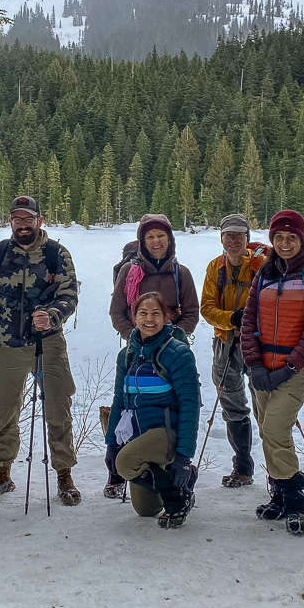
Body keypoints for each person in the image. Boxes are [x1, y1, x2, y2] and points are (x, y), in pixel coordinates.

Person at [0, 196, 82, 506]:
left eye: (28, 218)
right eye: (17, 219)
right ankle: (3, 471)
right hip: (8, 344)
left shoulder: (56, 255)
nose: (23, 224)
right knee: (4, 410)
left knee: (58, 408)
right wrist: (8, 323)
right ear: (11, 222)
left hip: (47, 343)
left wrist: (51, 315)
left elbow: (70, 295)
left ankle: (64, 473)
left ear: (40, 220)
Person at [240, 210, 304, 534]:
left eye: (291, 237)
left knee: (277, 430)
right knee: (268, 432)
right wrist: (254, 365)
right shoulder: (263, 274)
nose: (284, 243)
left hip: (295, 370)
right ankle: (279, 496)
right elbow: (248, 322)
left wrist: (289, 368)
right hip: (261, 371)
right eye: (278, 237)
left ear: (301, 239)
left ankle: (296, 500)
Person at [105, 213, 199, 497]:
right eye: (150, 237)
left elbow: (192, 313)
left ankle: (176, 465)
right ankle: (133, 468)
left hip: (171, 351)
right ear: (142, 242)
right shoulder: (130, 272)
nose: (156, 241)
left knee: (175, 404)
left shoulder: (180, 273)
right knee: (129, 401)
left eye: (161, 236)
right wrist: (137, 339)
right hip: (138, 351)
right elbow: (117, 312)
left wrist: (170, 339)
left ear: (169, 239)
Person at [105, 292, 200, 528]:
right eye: (143, 313)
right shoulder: (126, 356)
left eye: (156, 313)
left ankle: (176, 496)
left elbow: (190, 407)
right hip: (137, 434)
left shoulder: (177, 353)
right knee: (146, 510)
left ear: (166, 318)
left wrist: (184, 457)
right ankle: (180, 483)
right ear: (134, 317)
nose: (149, 319)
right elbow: (119, 402)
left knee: (126, 462)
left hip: (166, 431)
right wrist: (111, 444)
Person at [199, 213, 267, 489]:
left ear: (247, 238)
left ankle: (276, 467)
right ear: (222, 239)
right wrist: (231, 319)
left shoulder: (261, 266)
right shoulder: (216, 267)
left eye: (240, 234)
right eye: (229, 235)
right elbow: (207, 307)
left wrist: (247, 321)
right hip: (225, 343)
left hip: (258, 343)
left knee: (265, 403)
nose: (234, 239)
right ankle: (243, 463)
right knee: (231, 402)